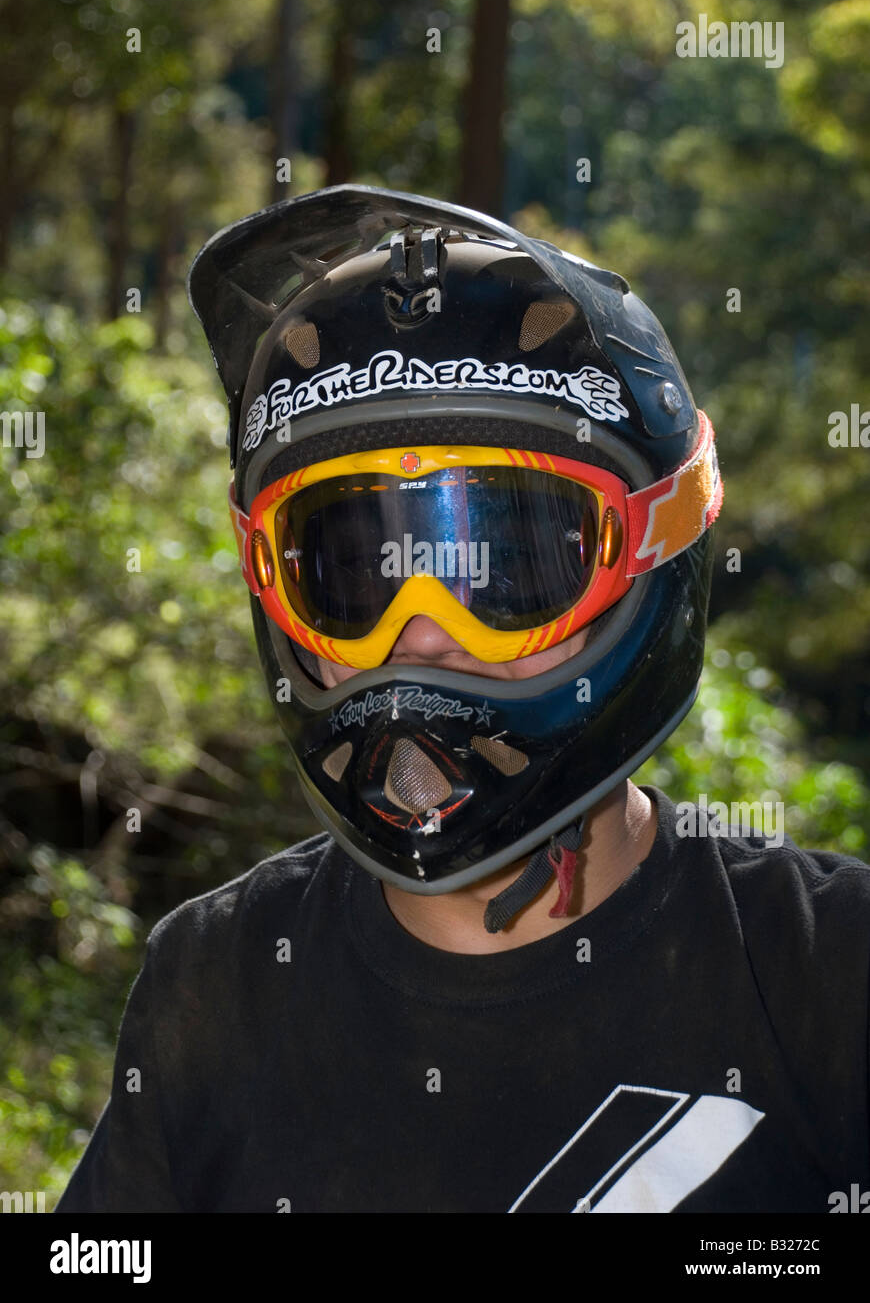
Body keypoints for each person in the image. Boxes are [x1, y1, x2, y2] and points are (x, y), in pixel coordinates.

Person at [56, 186, 870, 1214]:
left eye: (503, 568)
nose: (423, 637)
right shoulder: (216, 982)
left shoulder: (831, 978)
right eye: (353, 572)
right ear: (271, 586)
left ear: (653, 551)